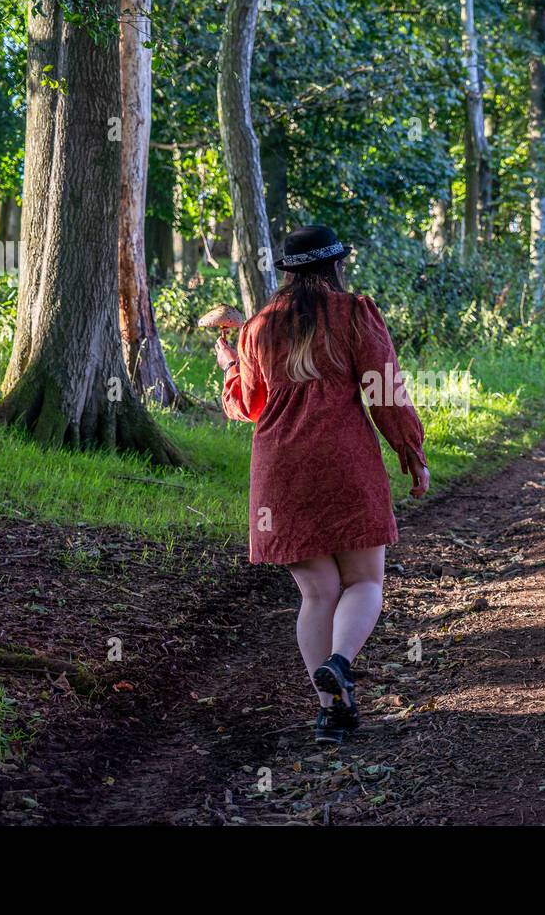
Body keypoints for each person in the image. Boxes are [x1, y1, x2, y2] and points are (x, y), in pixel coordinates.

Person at [217, 225, 430, 745]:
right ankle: (340, 660)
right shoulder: (354, 312)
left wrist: (227, 365)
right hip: (345, 463)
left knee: (316, 594)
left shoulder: (258, 328)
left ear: (288, 271)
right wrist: (409, 448)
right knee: (364, 583)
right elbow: (383, 389)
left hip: (279, 471)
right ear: (335, 264)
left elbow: (248, 405)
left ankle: (332, 712)